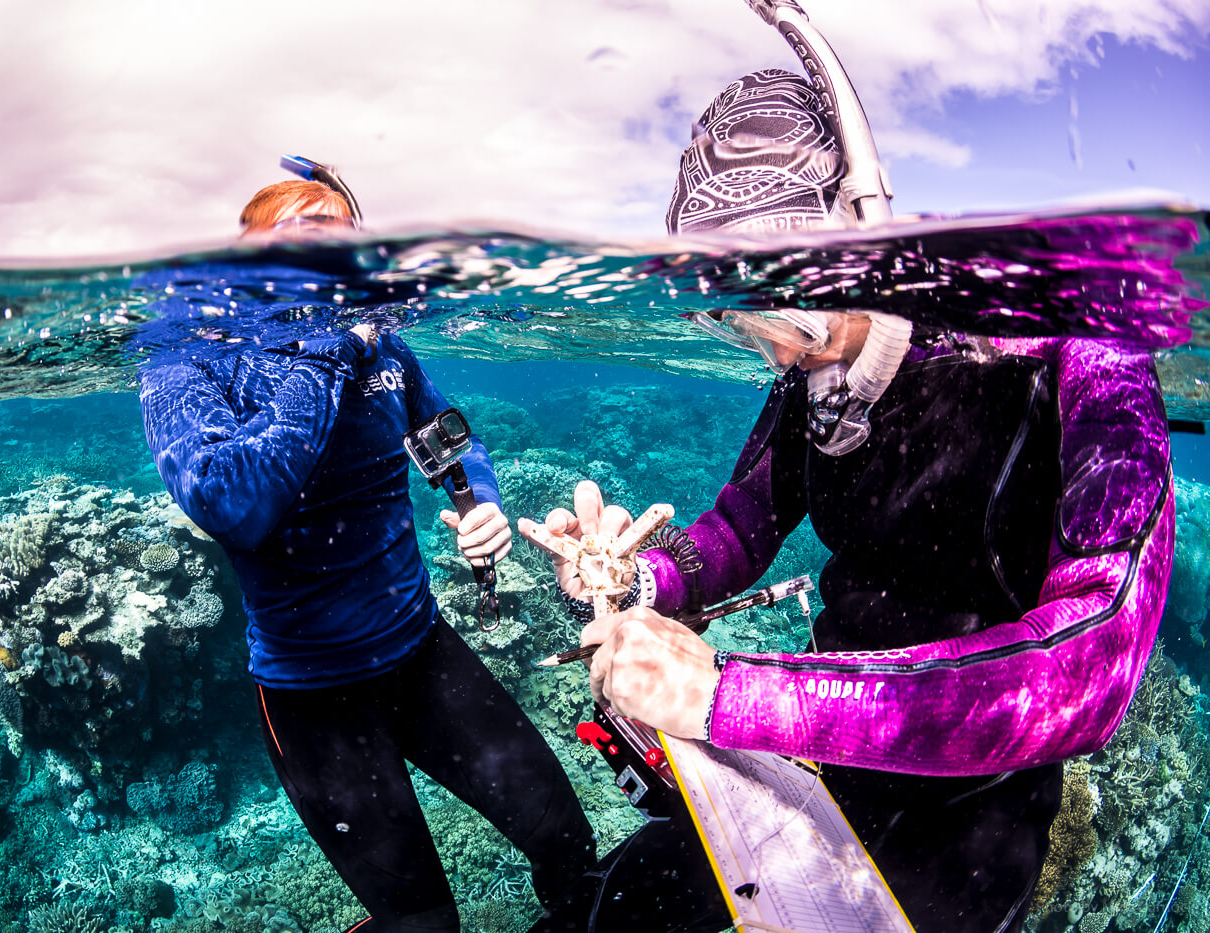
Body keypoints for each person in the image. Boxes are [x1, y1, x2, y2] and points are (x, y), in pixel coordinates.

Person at [525, 22, 1174, 933]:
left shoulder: (1074, 356)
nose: (773, 342)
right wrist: (637, 579)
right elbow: (739, 526)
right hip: (811, 751)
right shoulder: (805, 382)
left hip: (976, 806)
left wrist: (729, 692)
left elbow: (1088, 669)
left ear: (852, 229)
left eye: (780, 289)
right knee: (622, 907)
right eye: (733, 312)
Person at [139, 163, 596, 933]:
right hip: (311, 695)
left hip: (420, 652)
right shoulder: (186, 358)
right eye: (304, 243)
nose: (333, 268)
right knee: (422, 925)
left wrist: (477, 500)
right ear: (246, 257)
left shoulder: (385, 350)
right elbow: (232, 500)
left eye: (348, 248)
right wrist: (325, 348)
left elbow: (449, 437)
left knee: (567, 841)